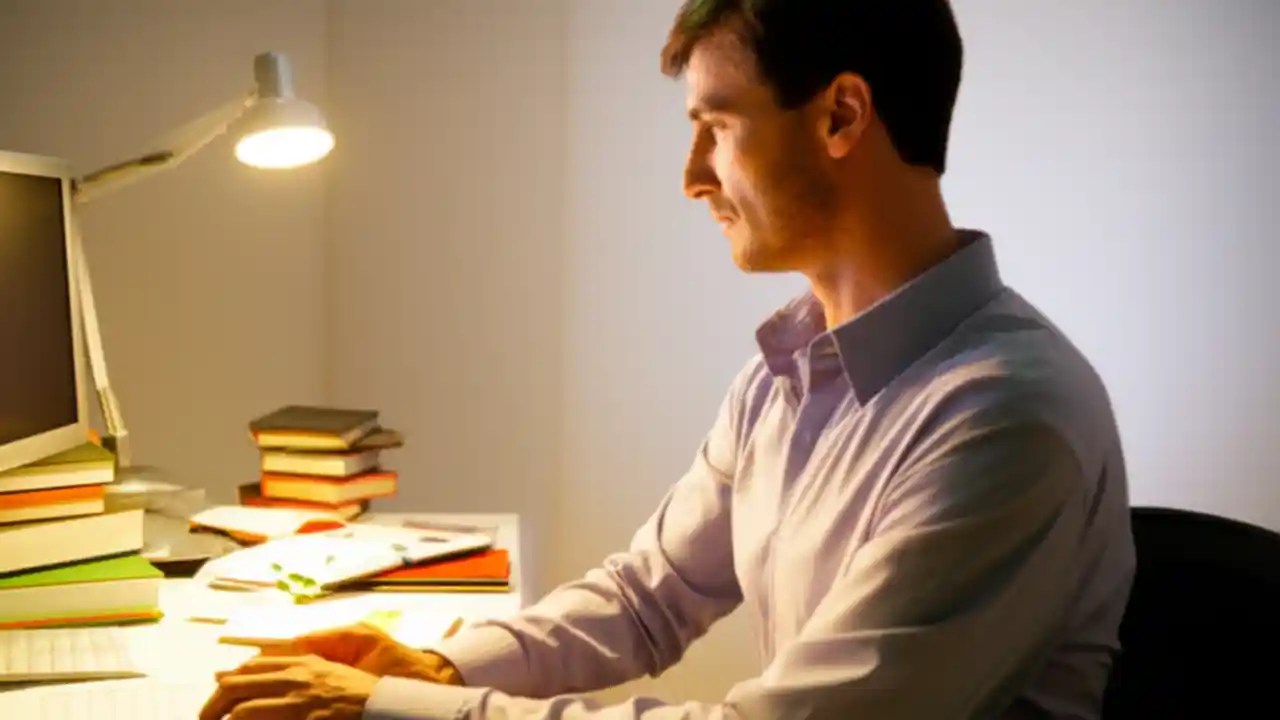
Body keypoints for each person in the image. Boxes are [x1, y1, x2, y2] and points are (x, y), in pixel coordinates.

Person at [201, 1, 1136, 718]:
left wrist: (394, 708)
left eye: (719, 126)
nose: (693, 176)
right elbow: (651, 595)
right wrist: (439, 666)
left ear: (842, 116)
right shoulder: (791, 369)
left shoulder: (1006, 417)